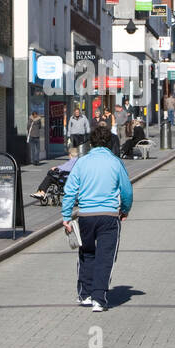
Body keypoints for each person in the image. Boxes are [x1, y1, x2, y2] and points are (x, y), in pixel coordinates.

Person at [62, 123, 133, 313]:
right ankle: (99, 298)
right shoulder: (115, 162)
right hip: (109, 216)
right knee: (105, 257)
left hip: (85, 215)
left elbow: (69, 191)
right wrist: (125, 210)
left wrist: (66, 216)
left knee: (86, 254)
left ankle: (84, 293)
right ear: (109, 142)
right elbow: (126, 190)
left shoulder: (82, 162)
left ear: (91, 143)